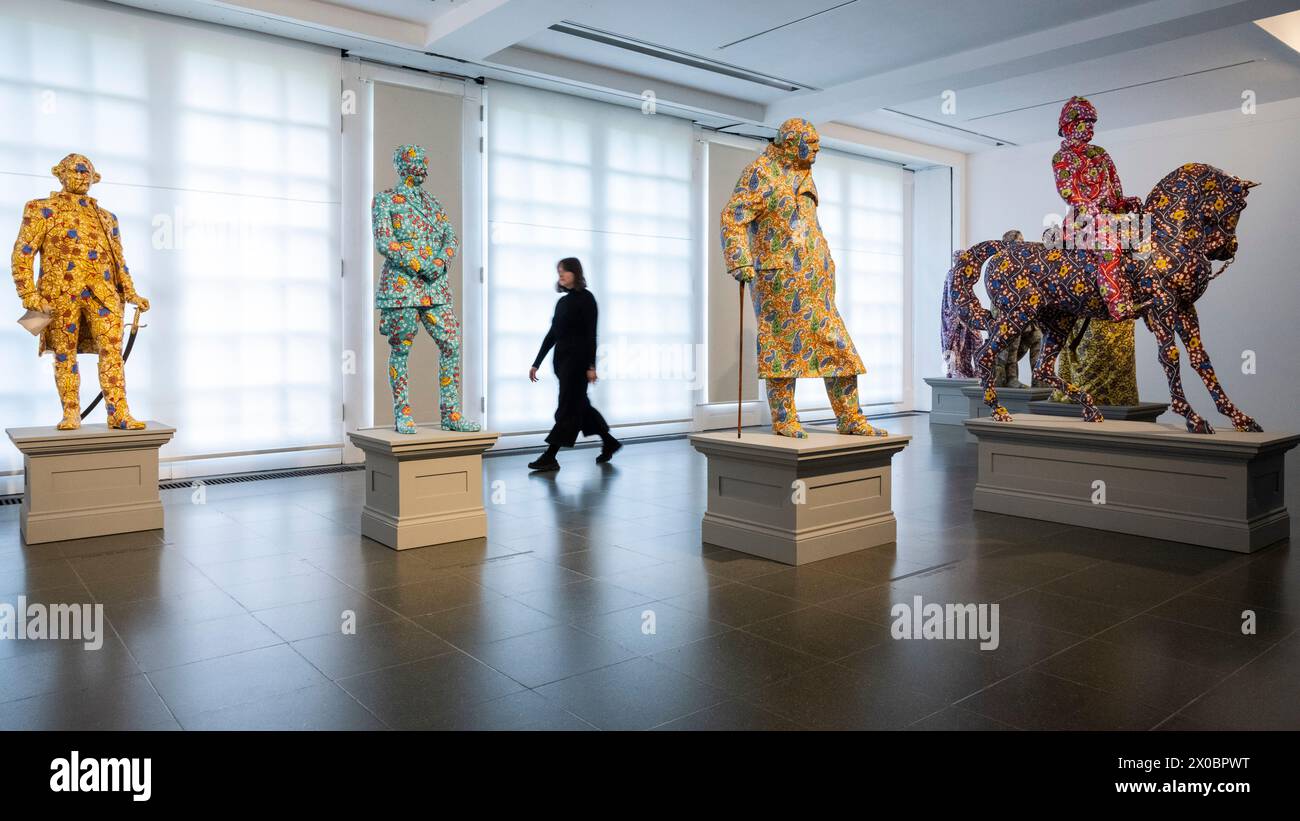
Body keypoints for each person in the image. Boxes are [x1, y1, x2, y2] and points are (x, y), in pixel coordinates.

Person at [719, 117, 885, 438]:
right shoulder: (761, 173)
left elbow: (811, 227)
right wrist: (739, 259)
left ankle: (849, 417)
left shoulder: (805, 174)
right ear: (791, 143)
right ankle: (784, 420)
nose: (816, 149)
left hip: (815, 283)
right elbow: (733, 217)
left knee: (839, 348)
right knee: (781, 349)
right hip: (778, 281)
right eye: (810, 144)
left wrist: (827, 263)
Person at [11, 153, 149, 430]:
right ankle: (71, 412)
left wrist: (131, 292)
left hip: (105, 294)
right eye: (75, 170)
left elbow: (119, 259)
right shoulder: (42, 209)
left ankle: (118, 413)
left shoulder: (108, 218)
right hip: (59, 295)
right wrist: (28, 295)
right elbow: (22, 254)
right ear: (60, 174)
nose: (81, 176)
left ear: (94, 178)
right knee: (65, 353)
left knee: (112, 353)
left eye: (87, 172)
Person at [372, 144, 478, 434]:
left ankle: (451, 413)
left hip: (435, 287)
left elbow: (451, 237)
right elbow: (385, 241)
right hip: (401, 287)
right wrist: (420, 264)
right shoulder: (386, 200)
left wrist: (441, 260)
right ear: (401, 165)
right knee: (401, 348)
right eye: (415, 161)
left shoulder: (432, 204)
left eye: (423, 161)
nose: (422, 167)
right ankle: (403, 412)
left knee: (451, 343)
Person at [1051, 96, 1145, 320]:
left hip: (1110, 217)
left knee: (1146, 238)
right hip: (1082, 222)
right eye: (1087, 122)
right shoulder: (1062, 157)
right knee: (1109, 247)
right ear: (1071, 126)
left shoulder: (1100, 153)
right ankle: (1116, 304)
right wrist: (1090, 208)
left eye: (1093, 122)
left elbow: (1114, 188)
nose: (1091, 127)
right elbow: (1069, 192)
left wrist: (1124, 202)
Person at [527, 258, 620, 471]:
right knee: (580, 407)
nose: (561, 274)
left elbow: (591, 335)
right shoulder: (562, 302)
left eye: (565, 271)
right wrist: (536, 363)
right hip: (562, 363)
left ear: (576, 273)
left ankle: (550, 455)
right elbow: (552, 335)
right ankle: (609, 442)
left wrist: (591, 366)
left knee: (568, 410)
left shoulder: (587, 300)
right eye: (559, 271)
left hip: (578, 364)